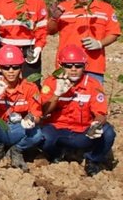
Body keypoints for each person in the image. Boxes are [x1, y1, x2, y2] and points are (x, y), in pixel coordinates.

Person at [40, 44, 116, 176]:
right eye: (68, 65)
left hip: (83, 132)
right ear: (60, 65)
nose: (73, 69)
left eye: (78, 65)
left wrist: (96, 124)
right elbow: (43, 112)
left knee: (108, 132)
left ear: (85, 66)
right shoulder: (52, 82)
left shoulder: (93, 85)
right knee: (40, 136)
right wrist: (57, 94)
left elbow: (101, 113)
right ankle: (57, 154)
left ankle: (93, 160)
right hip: (57, 129)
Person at [47, 0, 120, 84]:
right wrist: (54, 18)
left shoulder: (106, 9)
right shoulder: (63, 8)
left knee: (93, 100)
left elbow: (114, 33)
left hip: (93, 67)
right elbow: (50, 31)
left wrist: (99, 43)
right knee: (65, 100)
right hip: (66, 66)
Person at [0, 45, 44, 171]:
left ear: (21, 68)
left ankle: (17, 150)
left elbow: (37, 113)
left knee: (37, 134)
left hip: (19, 127)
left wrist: (31, 119)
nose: (11, 71)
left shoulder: (30, 88)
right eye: (6, 67)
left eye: (15, 67)